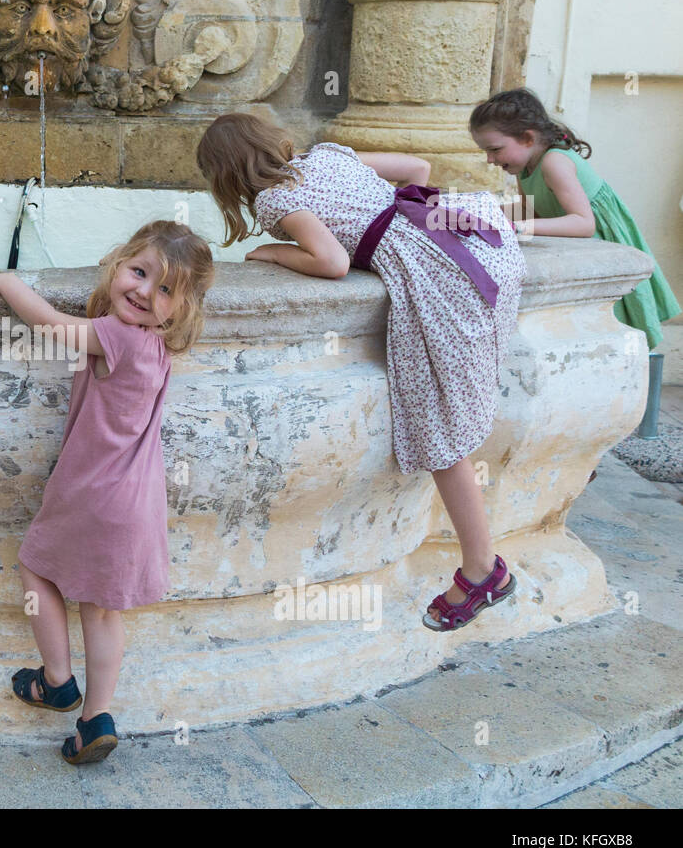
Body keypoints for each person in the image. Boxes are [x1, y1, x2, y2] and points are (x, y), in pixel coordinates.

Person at [197, 113, 525, 633]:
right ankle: (481, 563)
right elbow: (417, 165)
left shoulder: (275, 200)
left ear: (224, 175)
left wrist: (274, 252)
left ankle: (484, 569)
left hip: (437, 278)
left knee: (438, 428)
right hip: (473, 248)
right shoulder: (328, 154)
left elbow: (329, 262)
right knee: (454, 410)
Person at [0, 220, 214, 762]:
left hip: (92, 493)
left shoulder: (116, 336)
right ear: (119, 265)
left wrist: (8, 284)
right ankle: (94, 718)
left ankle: (56, 679)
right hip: (136, 502)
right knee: (102, 612)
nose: (145, 291)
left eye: (165, 288)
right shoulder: (154, 347)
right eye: (140, 272)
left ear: (181, 307)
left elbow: (51, 324)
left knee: (35, 566)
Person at [470, 88, 680, 350]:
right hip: (577, 242)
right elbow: (531, 209)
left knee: (614, 331)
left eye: (495, 149)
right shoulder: (525, 167)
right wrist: (478, 213)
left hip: (602, 243)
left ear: (526, 138)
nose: (490, 159)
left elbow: (583, 223)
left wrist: (516, 228)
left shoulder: (554, 162)